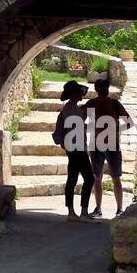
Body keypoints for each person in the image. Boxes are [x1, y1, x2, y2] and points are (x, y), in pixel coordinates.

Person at [84, 77, 132, 218]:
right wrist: (116, 129)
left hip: (100, 144)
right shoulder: (112, 104)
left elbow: (80, 118)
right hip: (109, 144)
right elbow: (128, 123)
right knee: (111, 178)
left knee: (101, 178)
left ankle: (105, 209)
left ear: (96, 89)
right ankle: (115, 209)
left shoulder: (94, 104)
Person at [52, 79, 94, 221]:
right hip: (78, 148)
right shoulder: (72, 110)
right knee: (89, 178)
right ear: (74, 94)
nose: (81, 94)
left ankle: (71, 212)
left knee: (72, 179)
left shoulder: (70, 108)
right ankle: (83, 212)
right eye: (78, 92)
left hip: (73, 148)